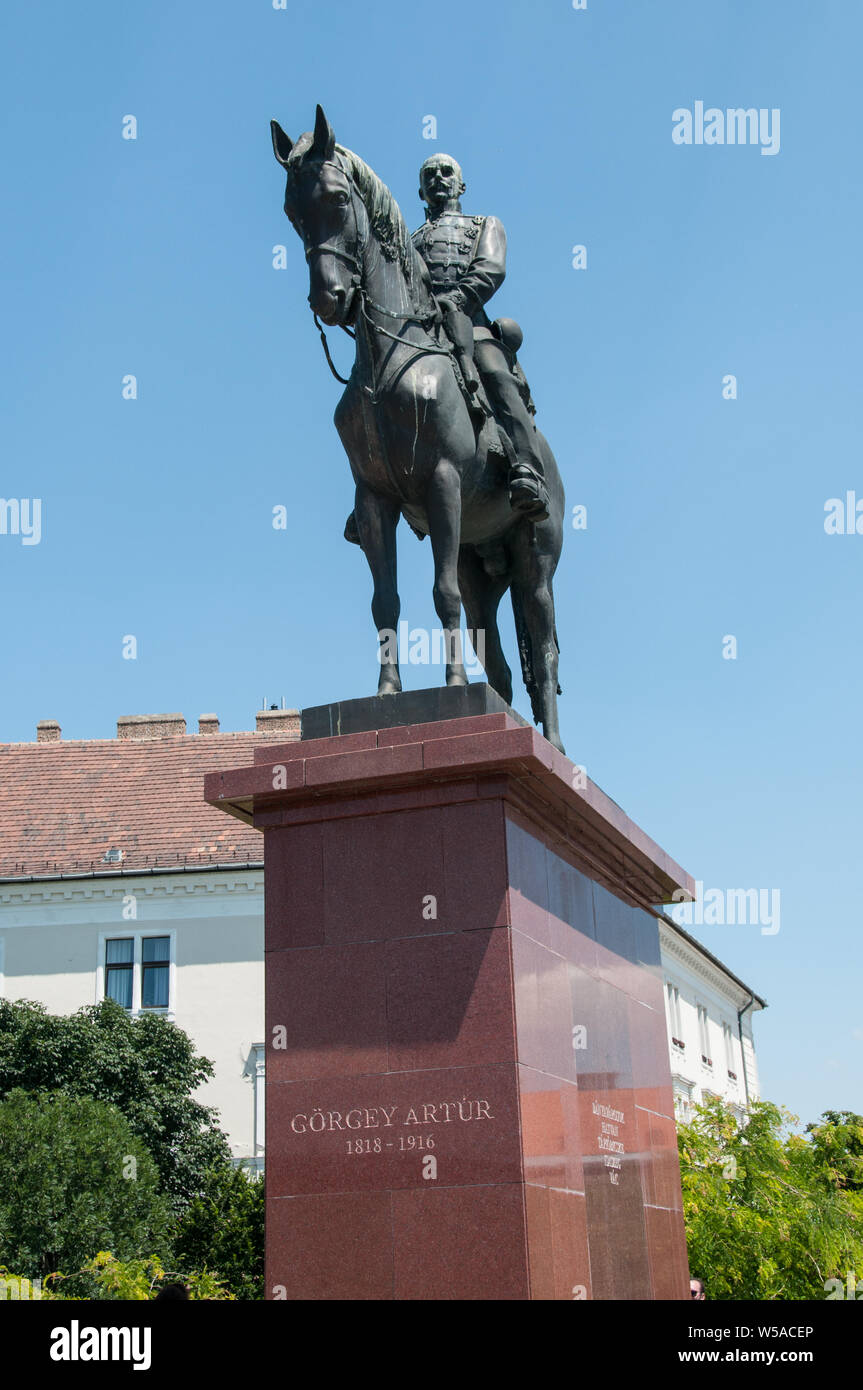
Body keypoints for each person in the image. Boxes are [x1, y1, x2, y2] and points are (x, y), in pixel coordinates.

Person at [412, 153, 550, 522]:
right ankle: (375, 481)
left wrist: (457, 299)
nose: (438, 178)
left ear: (461, 185)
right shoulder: (408, 241)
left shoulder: (485, 225)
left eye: (446, 172)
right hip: (422, 329)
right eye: (429, 174)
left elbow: (491, 268)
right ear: (421, 191)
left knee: (494, 371)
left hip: (468, 322)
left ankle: (527, 468)